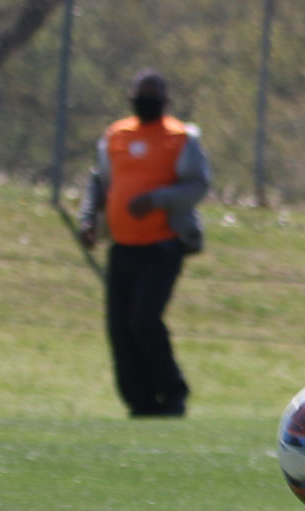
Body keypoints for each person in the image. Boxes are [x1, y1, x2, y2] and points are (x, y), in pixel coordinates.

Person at [77, 68, 209, 418]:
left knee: (144, 318)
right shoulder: (115, 136)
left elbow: (198, 186)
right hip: (122, 246)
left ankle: (173, 392)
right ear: (130, 99)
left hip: (164, 246)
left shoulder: (180, 137)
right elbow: (99, 182)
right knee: (119, 327)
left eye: (153, 96)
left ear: (165, 101)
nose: (145, 101)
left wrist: (157, 199)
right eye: (141, 95)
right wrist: (89, 219)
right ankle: (140, 402)